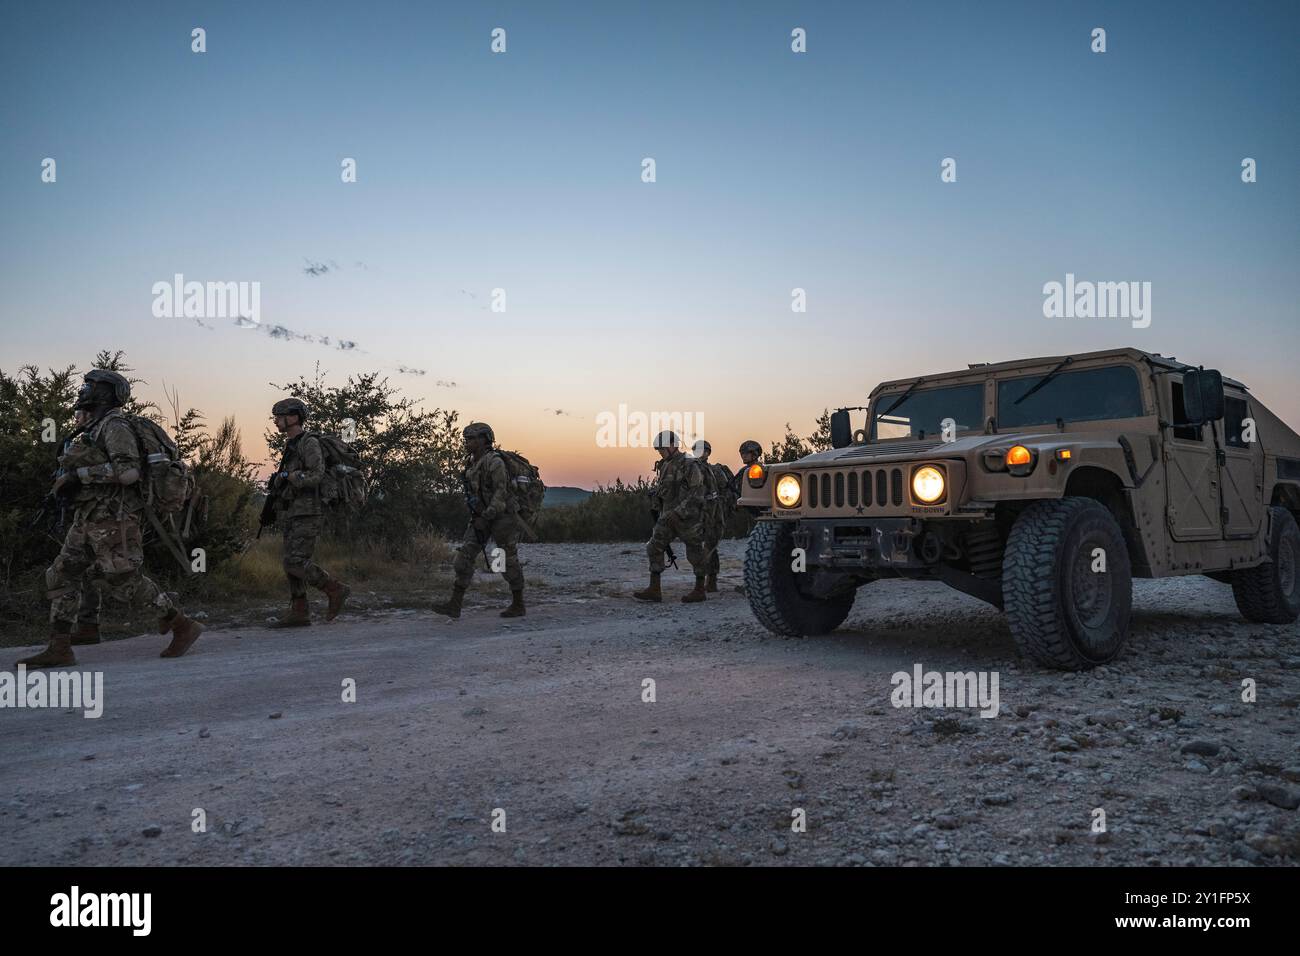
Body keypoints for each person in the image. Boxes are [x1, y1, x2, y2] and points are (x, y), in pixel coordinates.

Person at [17, 369, 203, 666]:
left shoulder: (114, 425)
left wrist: (79, 475)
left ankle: (182, 625)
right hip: (89, 516)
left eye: (89, 386)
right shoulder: (95, 425)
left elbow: (129, 473)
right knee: (63, 572)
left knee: (123, 580)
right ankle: (61, 647)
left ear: (104, 393)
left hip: (114, 518)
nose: (82, 391)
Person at [266, 398, 350, 627]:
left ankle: (335, 589)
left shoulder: (308, 442)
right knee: (289, 562)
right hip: (293, 510)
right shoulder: (291, 444)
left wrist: (290, 477)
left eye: (280, 416)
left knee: (296, 561)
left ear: (293, 417)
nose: (276, 421)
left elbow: (316, 475)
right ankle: (300, 611)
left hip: (308, 511)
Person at [431, 422, 526, 619]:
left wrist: (488, 515)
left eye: (471, 439)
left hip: (502, 518)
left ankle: (518, 604)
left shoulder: (495, 462)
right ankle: (454, 605)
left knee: (506, 560)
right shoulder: (473, 463)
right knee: (464, 557)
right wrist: (479, 516)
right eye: (466, 439)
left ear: (484, 440)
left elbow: (501, 493)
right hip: (482, 517)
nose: (467, 442)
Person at [634, 431, 708, 603]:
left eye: (662, 448)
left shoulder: (689, 464)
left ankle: (699, 590)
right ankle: (654, 589)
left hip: (687, 517)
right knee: (654, 546)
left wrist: (679, 512)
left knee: (695, 552)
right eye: (658, 449)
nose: (660, 452)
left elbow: (697, 493)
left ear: (673, 445)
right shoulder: (665, 465)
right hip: (667, 516)